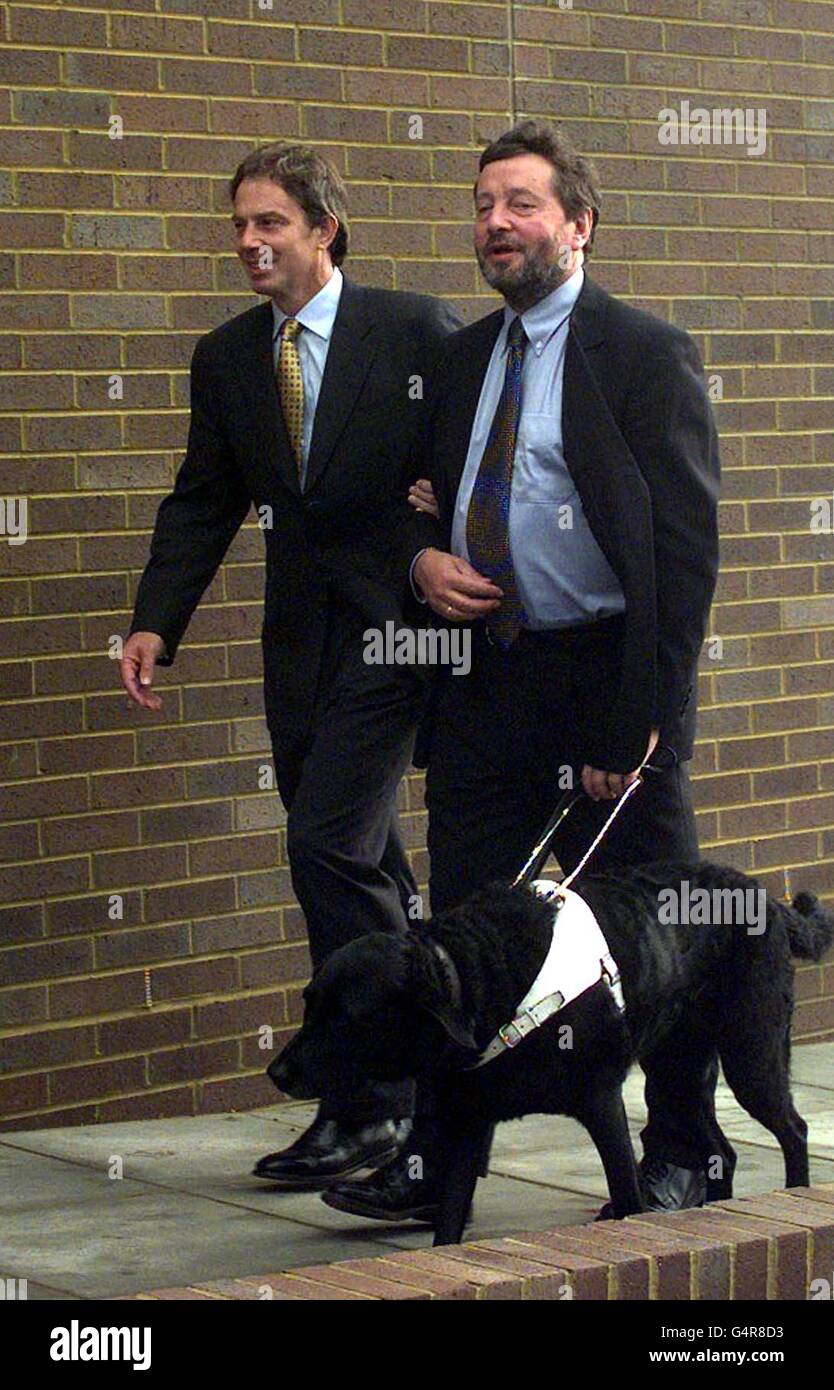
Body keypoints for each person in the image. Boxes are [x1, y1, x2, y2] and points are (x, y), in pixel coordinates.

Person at [322, 119, 726, 1226]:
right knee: (464, 937)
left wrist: (648, 723)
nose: (495, 222)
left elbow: (684, 559)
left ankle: (688, 1146)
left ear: (579, 225)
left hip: (610, 679)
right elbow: (392, 507)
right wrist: (421, 561)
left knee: (662, 930)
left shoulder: (644, 353)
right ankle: (440, 1159)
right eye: (483, 204)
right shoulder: (458, 362)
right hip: (486, 686)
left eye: (522, 203)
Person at [120, 142, 461, 1189]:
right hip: (298, 645)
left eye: (270, 222)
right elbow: (203, 499)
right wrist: (154, 623)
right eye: (239, 226)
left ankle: (381, 1103)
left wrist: (444, 518)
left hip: (400, 633)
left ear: (325, 228)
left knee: (324, 844)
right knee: (364, 865)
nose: (250, 243)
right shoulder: (228, 359)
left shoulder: (411, 330)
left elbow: (471, 454)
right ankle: (402, 1082)